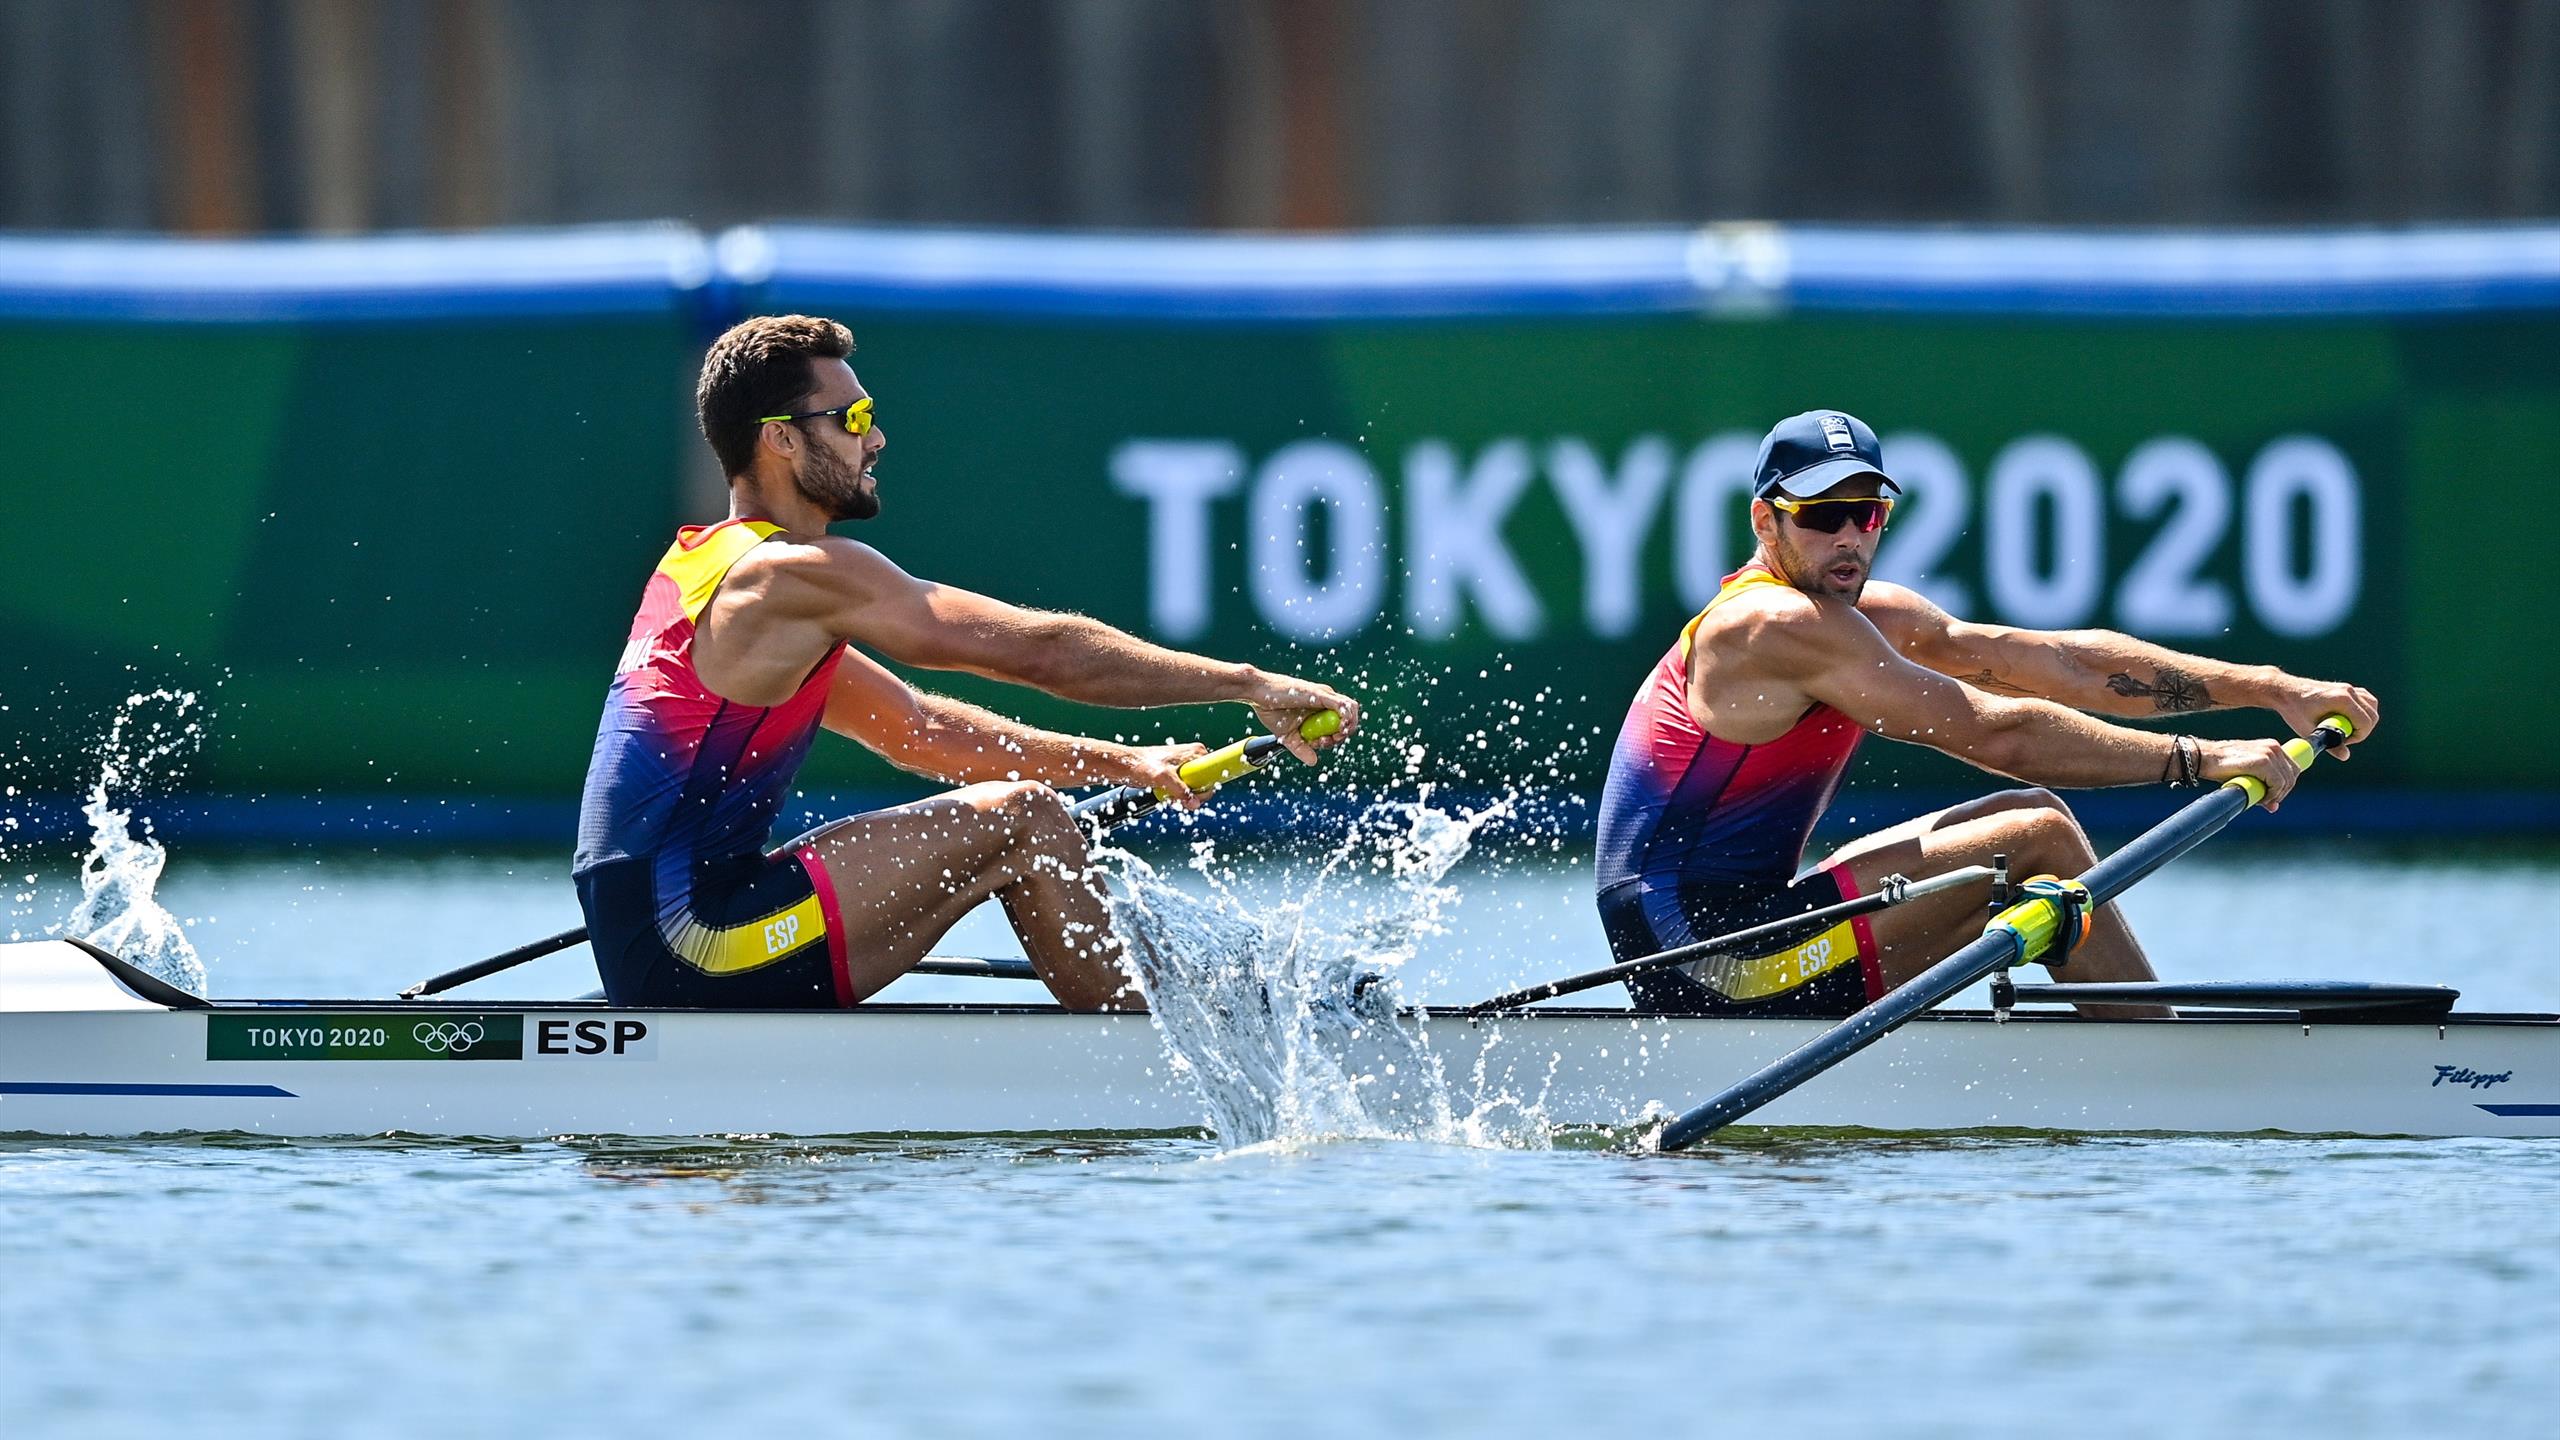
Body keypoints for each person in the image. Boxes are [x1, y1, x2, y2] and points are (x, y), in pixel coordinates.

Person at [572, 315, 1358, 1010]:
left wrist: (1130, 763)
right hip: (696, 937)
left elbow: (920, 730)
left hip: (661, 931)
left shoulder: (704, 575)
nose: (873, 438)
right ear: (780, 437)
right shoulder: (792, 576)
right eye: (853, 417)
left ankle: (1156, 1017)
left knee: (1021, 814)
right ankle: (1156, 1055)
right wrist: (1246, 683)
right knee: (1026, 820)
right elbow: (1037, 651)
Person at [1593, 409, 2379, 1018]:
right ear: (1766, 521)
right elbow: (2000, 731)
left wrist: (2273, 686)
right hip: (1697, 957)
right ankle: (2160, 1071)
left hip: (1748, 922)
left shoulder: (1861, 616)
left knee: (2036, 821)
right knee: (2031, 839)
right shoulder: (1770, 626)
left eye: (1866, 513)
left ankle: (2141, 1050)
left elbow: (2058, 664)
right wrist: (2203, 760)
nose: (1848, 538)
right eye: (1821, 514)